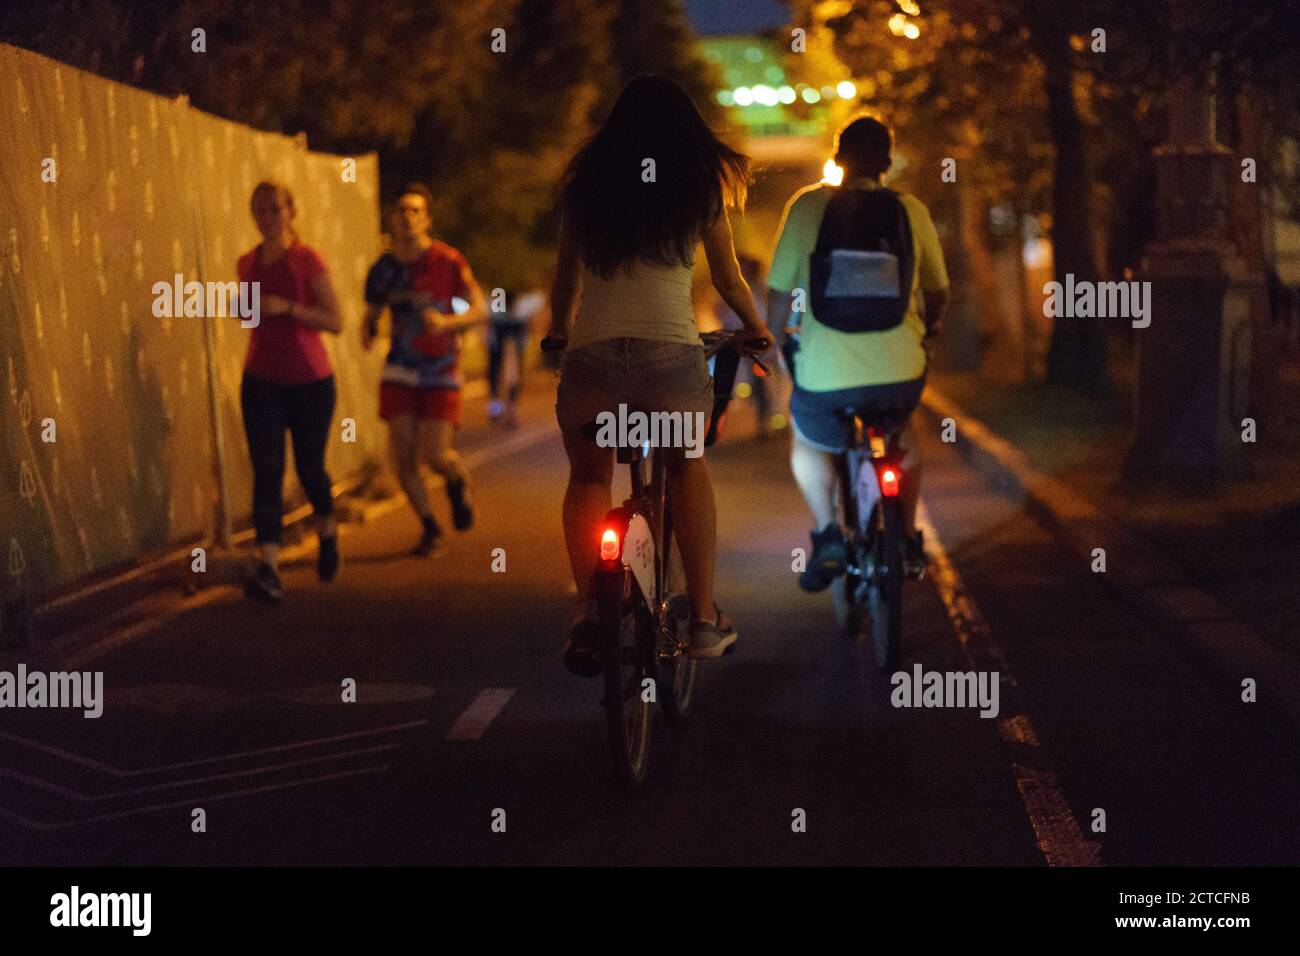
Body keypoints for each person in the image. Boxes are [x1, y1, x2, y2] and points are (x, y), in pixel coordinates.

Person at [545, 75, 769, 675]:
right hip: (669, 363)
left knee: (590, 477)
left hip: (591, 361)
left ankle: (590, 612)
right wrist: (754, 327)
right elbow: (727, 279)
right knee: (685, 465)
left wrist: (559, 335)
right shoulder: (697, 190)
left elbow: (565, 284)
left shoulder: (586, 191)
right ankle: (701, 618)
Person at [766, 115, 950, 592]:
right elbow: (938, 291)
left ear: (837, 159)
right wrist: (926, 335)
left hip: (826, 375)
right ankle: (907, 537)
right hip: (900, 369)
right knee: (903, 434)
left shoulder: (807, 208)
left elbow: (779, 294)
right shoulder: (910, 209)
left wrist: (773, 341)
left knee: (808, 439)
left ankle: (828, 533)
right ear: (888, 163)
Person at [361, 183, 488, 556]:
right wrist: (367, 330)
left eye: (415, 210)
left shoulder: (448, 261)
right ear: (392, 219)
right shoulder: (382, 269)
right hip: (400, 366)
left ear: (427, 218)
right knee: (402, 459)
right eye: (401, 210)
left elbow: (480, 308)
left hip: (441, 367)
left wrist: (448, 323)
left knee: (435, 453)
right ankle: (431, 528)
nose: (407, 216)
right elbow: (371, 314)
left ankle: (456, 479)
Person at [237, 180, 345, 603]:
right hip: (261, 380)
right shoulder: (246, 262)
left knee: (309, 469)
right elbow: (249, 316)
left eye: (275, 210)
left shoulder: (307, 259)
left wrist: (288, 308)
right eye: (259, 210)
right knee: (267, 469)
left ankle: (329, 528)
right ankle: (269, 567)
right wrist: (241, 307)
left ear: (290, 213)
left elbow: (335, 321)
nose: (267, 218)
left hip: (310, 382)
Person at [487, 285, 546, 429]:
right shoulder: (494, 308)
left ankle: (510, 409)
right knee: (495, 368)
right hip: (500, 330)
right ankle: (498, 404)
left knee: (513, 372)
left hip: (513, 331)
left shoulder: (524, 305)